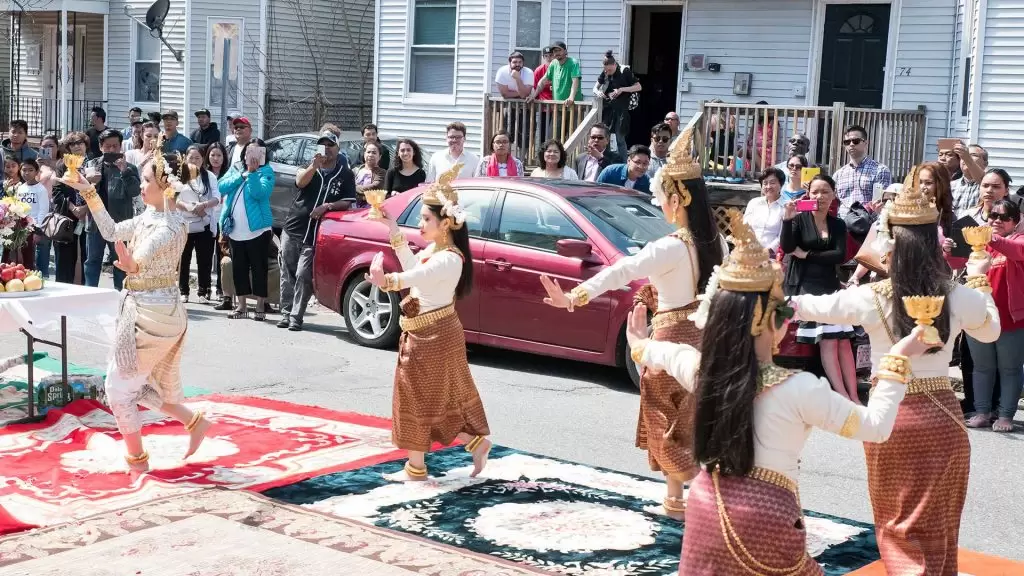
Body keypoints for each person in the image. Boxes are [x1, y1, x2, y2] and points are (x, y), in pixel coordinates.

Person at [622, 209, 929, 575]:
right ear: (772, 322)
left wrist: (639, 345)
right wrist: (895, 361)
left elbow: (659, 351)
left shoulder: (700, 370)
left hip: (707, 505)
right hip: (766, 516)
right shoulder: (799, 389)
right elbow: (876, 427)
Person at [791, 167, 1000, 574]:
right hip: (942, 417)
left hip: (893, 417)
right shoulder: (956, 293)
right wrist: (978, 280)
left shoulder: (872, 297)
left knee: (897, 522)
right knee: (939, 520)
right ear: (933, 243)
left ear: (893, 244)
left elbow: (813, 306)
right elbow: (989, 331)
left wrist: (767, 299)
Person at [539, 126, 726, 518]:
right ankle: (697, 491)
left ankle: (676, 496)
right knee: (696, 410)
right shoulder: (716, 243)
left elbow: (621, 270)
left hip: (671, 337)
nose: (661, 208)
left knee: (666, 410)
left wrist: (573, 297)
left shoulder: (671, 247)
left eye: (662, 200)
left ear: (677, 199)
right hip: (706, 335)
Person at [57, 135, 212, 477]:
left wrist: (129, 264)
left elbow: (138, 260)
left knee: (117, 389)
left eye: (145, 181)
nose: (141, 187)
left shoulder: (170, 225)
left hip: (153, 318)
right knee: (132, 384)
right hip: (147, 312)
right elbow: (112, 231)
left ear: (163, 185)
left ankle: (138, 464)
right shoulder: (149, 217)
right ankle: (193, 421)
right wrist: (88, 190)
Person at [364, 162, 492, 481]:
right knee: (424, 401)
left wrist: (386, 280)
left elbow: (416, 275)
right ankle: (472, 444)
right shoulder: (436, 250)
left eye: (425, 219)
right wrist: (392, 226)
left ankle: (418, 469)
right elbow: (412, 264)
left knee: (419, 400)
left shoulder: (450, 259)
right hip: (423, 335)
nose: (420, 225)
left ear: (445, 223)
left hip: (435, 337)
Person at [781, 174, 858, 402]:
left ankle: (853, 394)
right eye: (815, 192)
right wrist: (787, 219)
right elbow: (787, 247)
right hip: (804, 284)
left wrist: (807, 254)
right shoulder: (799, 219)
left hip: (829, 284)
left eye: (825, 192)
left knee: (843, 340)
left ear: (833, 195)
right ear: (808, 194)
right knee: (828, 339)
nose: (820, 196)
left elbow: (839, 254)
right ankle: (842, 395)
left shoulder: (837, 223)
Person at [280, 130, 356, 331]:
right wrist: (313, 166)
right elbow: (300, 182)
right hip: (294, 226)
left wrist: (328, 206)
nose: (327, 149)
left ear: (337, 148)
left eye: (330, 145)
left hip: (317, 233)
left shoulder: (345, 173)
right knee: (287, 272)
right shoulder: (310, 166)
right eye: (323, 145)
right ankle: (286, 313)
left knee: (304, 274)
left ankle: (296, 316)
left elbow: (348, 201)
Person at [965, 199, 1023, 433]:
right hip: (979, 316)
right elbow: (958, 262)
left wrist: (988, 236)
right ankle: (982, 413)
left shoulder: (1018, 240)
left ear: (1015, 222)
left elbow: (1015, 251)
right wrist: (949, 251)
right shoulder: (982, 243)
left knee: (1010, 369)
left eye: (1004, 217)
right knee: (982, 367)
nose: (997, 220)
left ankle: (1006, 416)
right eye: (993, 216)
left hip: (1011, 319)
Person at [218, 138, 275, 321]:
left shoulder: (266, 171)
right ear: (244, 153)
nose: (253, 155)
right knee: (239, 268)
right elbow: (222, 186)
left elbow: (260, 194)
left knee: (259, 268)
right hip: (236, 230)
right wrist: (242, 175)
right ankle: (241, 306)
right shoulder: (235, 168)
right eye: (250, 152)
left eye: (258, 152)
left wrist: (252, 174)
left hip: (258, 230)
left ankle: (260, 305)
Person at [83, 130, 142, 291]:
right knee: (93, 260)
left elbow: (135, 191)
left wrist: (124, 171)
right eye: (107, 146)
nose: (111, 150)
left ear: (120, 146)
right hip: (96, 223)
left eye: (115, 146)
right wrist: (90, 183)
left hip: (120, 223)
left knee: (120, 261)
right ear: (101, 147)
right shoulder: (92, 165)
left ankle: (120, 294)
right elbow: (81, 193)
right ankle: (90, 294)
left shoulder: (130, 167)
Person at [176, 145, 221, 303]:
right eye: (191, 158)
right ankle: (183, 291)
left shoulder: (209, 176)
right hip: (184, 223)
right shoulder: (179, 175)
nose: (194, 161)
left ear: (203, 159)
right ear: (185, 158)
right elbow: (174, 198)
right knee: (184, 258)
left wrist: (204, 206)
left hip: (204, 222)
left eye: (197, 158)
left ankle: (203, 291)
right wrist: (189, 207)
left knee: (205, 259)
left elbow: (217, 197)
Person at [593, 50, 641, 155]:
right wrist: (598, 92)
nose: (608, 72)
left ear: (615, 64)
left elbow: (638, 87)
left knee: (620, 140)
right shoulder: (605, 72)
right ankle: (606, 161)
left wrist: (622, 89)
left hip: (621, 111)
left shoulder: (625, 71)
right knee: (605, 139)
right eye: (606, 70)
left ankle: (623, 163)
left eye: (610, 70)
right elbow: (595, 88)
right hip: (608, 110)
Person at [744, 167, 786, 256]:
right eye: (765, 183)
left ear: (781, 185)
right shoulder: (754, 203)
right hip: (749, 252)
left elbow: (783, 236)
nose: (768, 186)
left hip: (774, 255)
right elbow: (745, 227)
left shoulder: (786, 207)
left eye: (772, 183)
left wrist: (766, 251)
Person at [354, 142, 386, 207]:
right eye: (368, 152)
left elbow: (374, 187)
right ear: (364, 154)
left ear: (380, 156)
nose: (370, 155)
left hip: (372, 211)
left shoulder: (382, 172)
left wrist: (353, 188)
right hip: (353, 210)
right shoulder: (355, 170)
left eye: (374, 153)